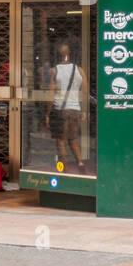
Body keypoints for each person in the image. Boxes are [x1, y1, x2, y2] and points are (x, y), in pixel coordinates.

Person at [48, 42, 87, 174]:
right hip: (75, 110)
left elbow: (50, 95)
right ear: (69, 54)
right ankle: (81, 164)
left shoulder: (54, 71)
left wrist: (47, 114)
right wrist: (84, 110)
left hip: (60, 110)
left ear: (57, 55)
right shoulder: (79, 70)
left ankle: (64, 170)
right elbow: (85, 91)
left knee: (61, 141)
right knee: (73, 139)